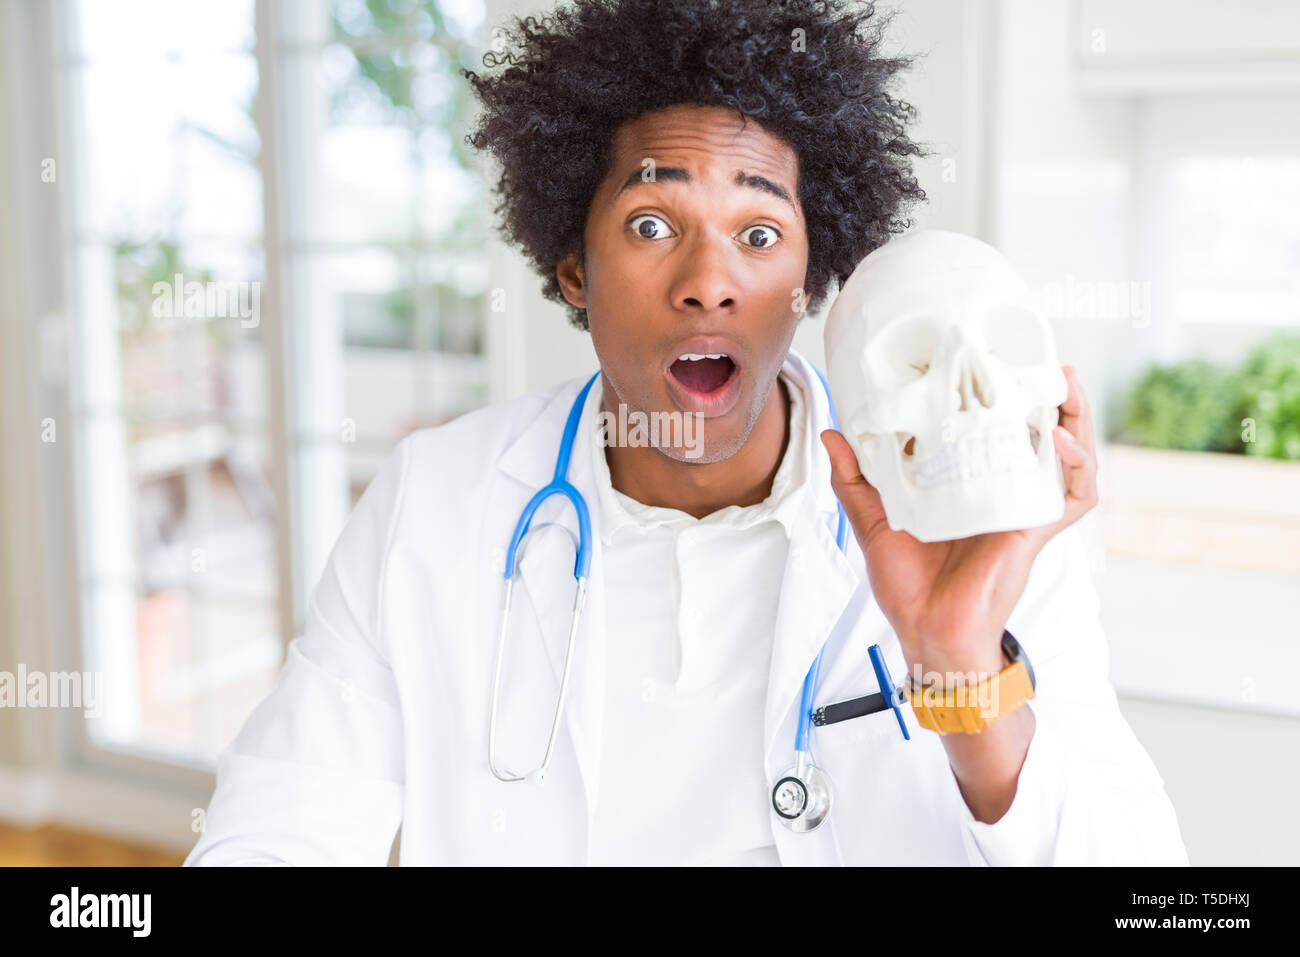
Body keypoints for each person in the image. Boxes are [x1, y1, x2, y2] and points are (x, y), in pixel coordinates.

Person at [186, 0, 1187, 866]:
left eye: (758, 236)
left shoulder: (970, 508)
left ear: (806, 283)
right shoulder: (437, 500)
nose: (709, 278)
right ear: (572, 271)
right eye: (653, 224)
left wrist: (961, 665)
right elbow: (278, 825)